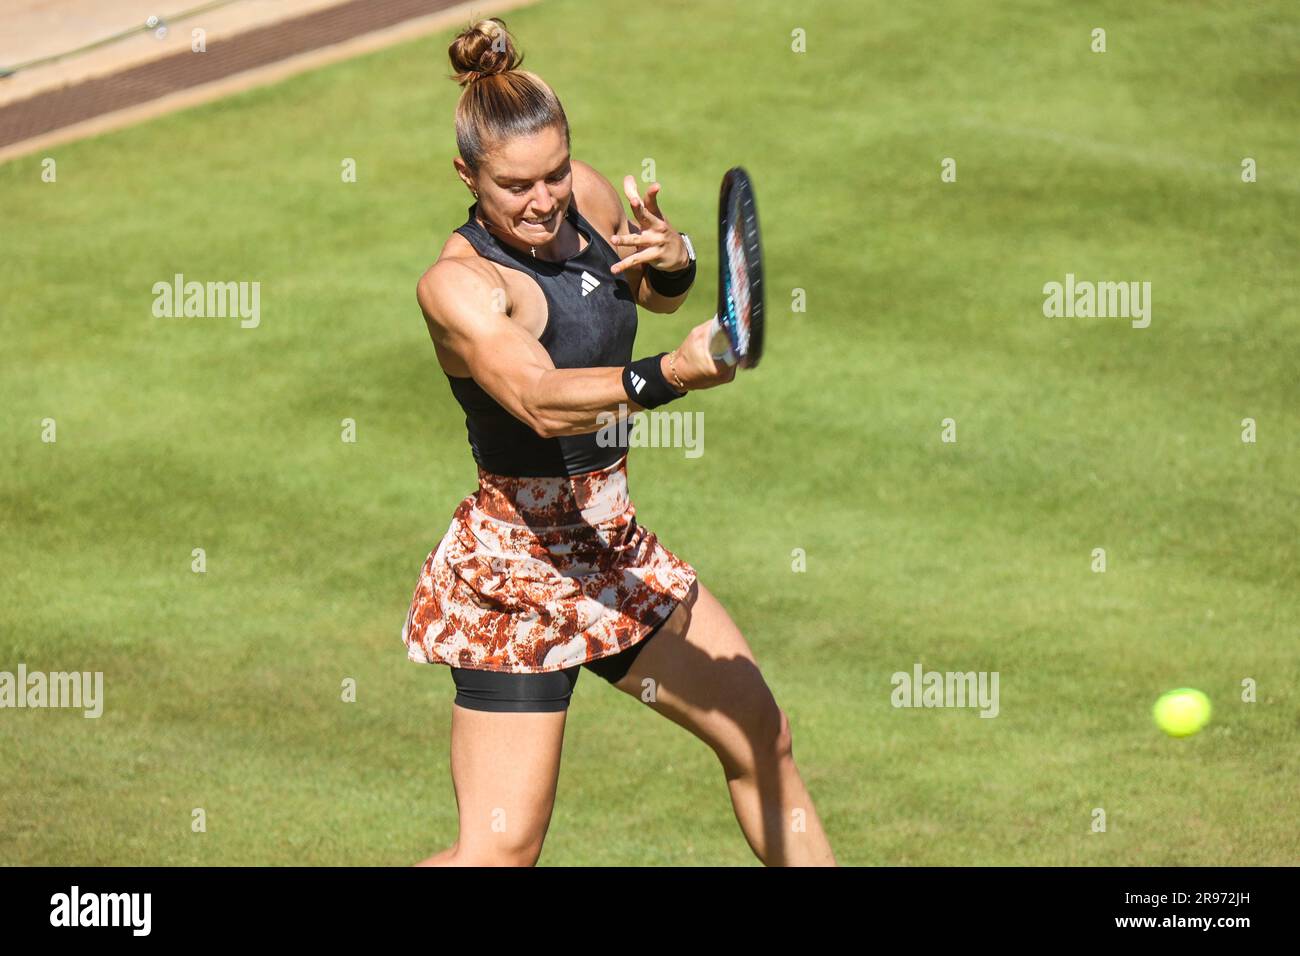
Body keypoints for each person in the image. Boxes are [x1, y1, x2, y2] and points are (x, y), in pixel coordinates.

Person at [401, 17, 835, 866]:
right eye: (516, 184)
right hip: (517, 576)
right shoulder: (461, 286)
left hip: (609, 547)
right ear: (467, 175)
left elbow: (650, 293)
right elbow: (539, 401)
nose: (543, 200)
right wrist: (670, 372)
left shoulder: (586, 198)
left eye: (555, 172)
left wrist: (671, 261)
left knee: (760, 737)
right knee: (500, 853)